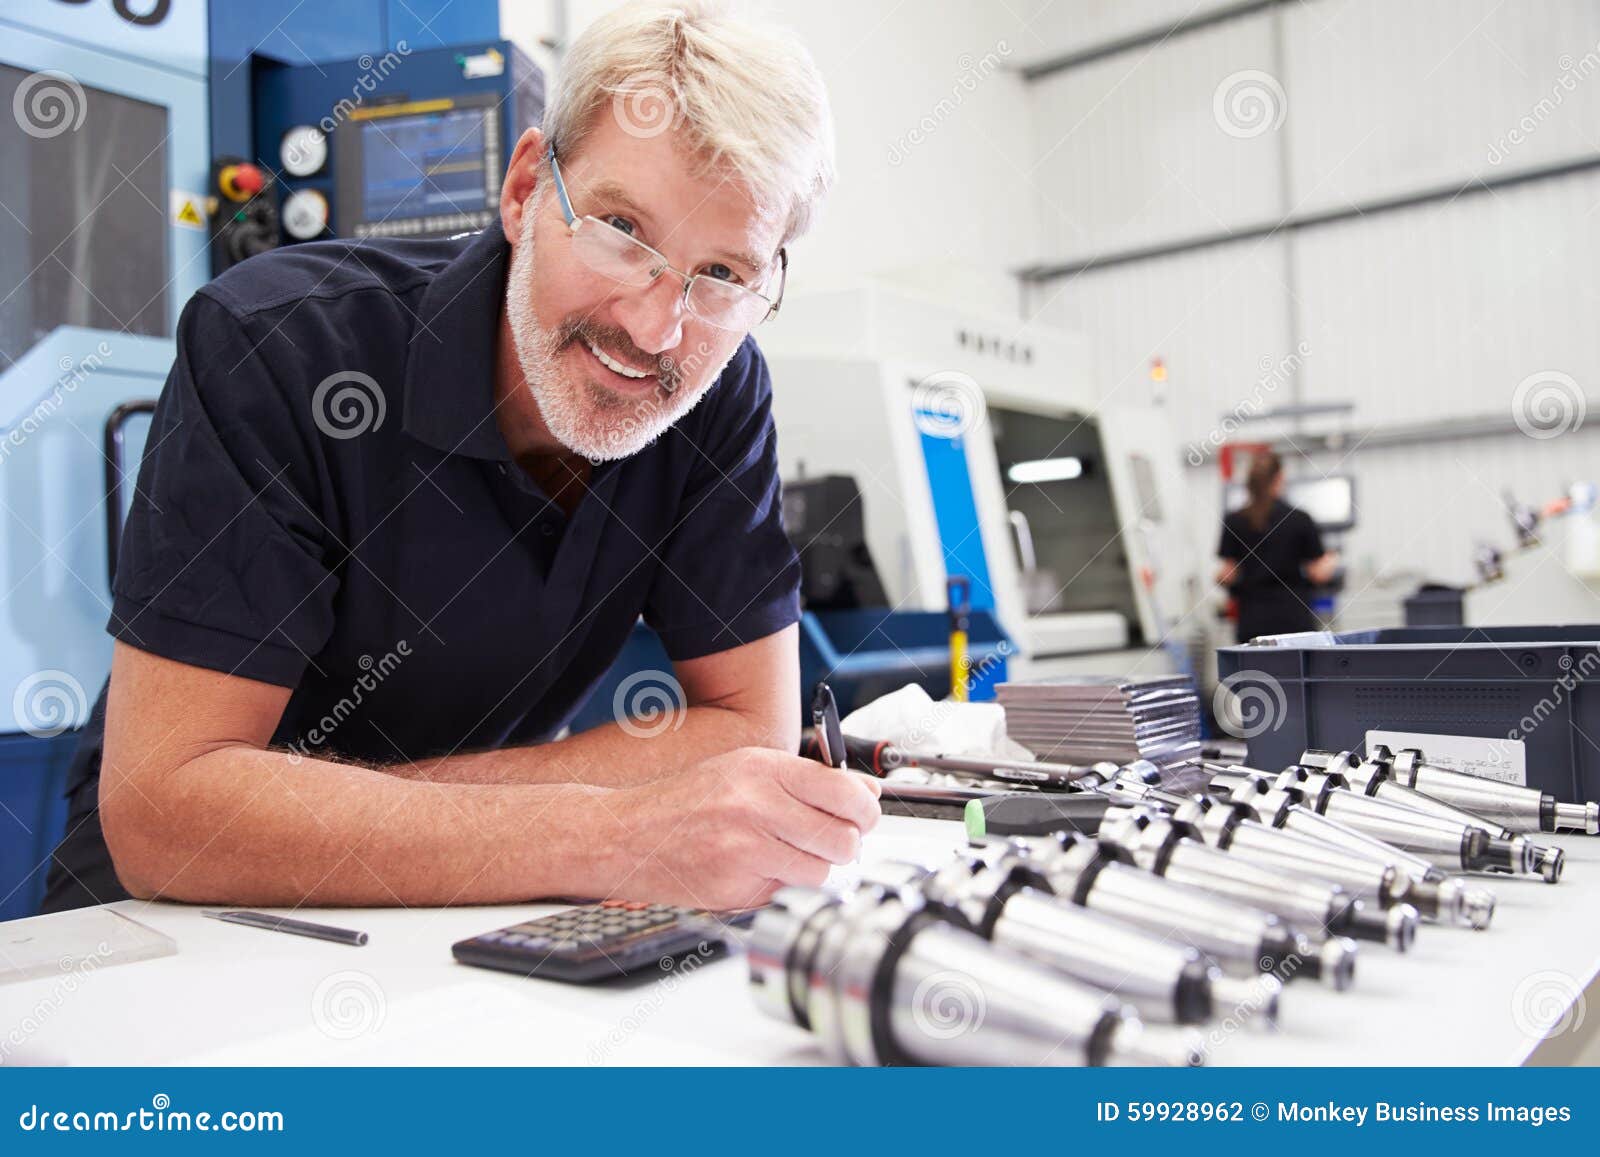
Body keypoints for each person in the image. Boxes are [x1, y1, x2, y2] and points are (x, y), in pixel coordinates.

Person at [41, 0, 880, 915]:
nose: (655, 326)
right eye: (621, 229)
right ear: (524, 191)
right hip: (176, 919)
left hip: (478, 900)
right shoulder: (279, 349)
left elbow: (745, 729)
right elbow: (171, 813)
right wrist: (612, 830)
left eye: (724, 274)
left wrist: (396, 822)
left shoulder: (718, 388)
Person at [1216, 451, 1340, 642]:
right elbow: (1318, 573)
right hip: (1292, 620)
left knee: (1254, 672)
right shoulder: (1299, 519)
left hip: (1252, 620)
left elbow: (1226, 575)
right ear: (1280, 478)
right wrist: (1332, 559)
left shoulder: (1235, 521)